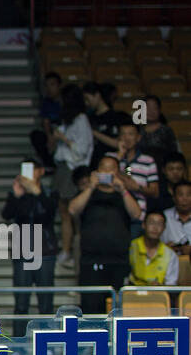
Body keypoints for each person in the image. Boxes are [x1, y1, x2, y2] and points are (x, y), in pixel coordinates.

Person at [69, 155, 142, 314]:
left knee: (117, 309)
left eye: (111, 169)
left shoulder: (124, 194)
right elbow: (73, 209)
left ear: (118, 172)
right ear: (96, 171)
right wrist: (90, 187)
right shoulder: (88, 192)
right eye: (104, 168)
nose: (107, 172)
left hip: (119, 261)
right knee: (91, 309)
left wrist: (122, 189)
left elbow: (136, 214)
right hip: (91, 261)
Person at [1, 161, 59, 336]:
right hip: (22, 252)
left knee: (46, 302)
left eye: (33, 169)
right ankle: (19, 342)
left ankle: (47, 341)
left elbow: (49, 214)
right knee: (21, 301)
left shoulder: (49, 192)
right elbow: (6, 214)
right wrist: (17, 196)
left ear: (41, 171)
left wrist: (37, 192)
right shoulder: (18, 193)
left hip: (45, 252)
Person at [52, 84, 93, 264]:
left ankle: (70, 250)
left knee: (70, 212)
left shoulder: (81, 119)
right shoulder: (68, 120)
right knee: (63, 211)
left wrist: (64, 139)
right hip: (62, 167)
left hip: (72, 169)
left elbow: (82, 150)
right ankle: (67, 249)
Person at [113, 119, 159, 221]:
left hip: (138, 216)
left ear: (138, 138)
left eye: (131, 134)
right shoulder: (110, 158)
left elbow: (155, 192)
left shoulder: (148, 160)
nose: (126, 138)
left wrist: (137, 187)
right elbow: (105, 175)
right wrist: (120, 156)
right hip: (115, 215)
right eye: (123, 134)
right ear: (118, 137)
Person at [128, 212, 179, 288]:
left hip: (159, 295)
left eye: (159, 224)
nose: (155, 227)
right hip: (132, 294)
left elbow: (171, 285)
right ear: (143, 225)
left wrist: (160, 287)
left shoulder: (170, 254)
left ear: (164, 228)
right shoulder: (131, 247)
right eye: (151, 223)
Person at [84, 81, 123, 168]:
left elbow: (116, 143)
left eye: (88, 99)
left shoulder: (114, 117)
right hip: (92, 163)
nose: (86, 103)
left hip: (110, 164)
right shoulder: (89, 118)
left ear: (97, 95)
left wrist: (93, 132)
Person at [29, 70, 62, 166]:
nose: (49, 89)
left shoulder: (66, 101)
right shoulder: (46, 103)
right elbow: (46, 121)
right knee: (37, 136)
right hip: (53, 134)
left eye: (52, 85)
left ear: (59, 85)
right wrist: (49, 137)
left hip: (65, 135)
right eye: (47, 86)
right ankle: (49, 165)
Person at [137, 95, 178, 169]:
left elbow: (174, 153)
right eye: (148, 108)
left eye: (154, 108)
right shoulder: (137, 130)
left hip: (161, 169)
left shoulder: (166, 130)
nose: (151, 111)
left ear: (159, 110)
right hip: (140, 169)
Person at [148, 151, 185, 216]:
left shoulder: (189, 190)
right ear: (163, 170)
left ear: (184, 170)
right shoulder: (157, 191)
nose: (175, 173)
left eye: (179, 169)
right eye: (171, 169)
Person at [161, 179, 191, 257]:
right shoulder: (164, 216)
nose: (185, 199)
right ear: (174, 198)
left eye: (189, 195)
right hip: (168, 261)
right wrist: (164, 248)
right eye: (181, 195)